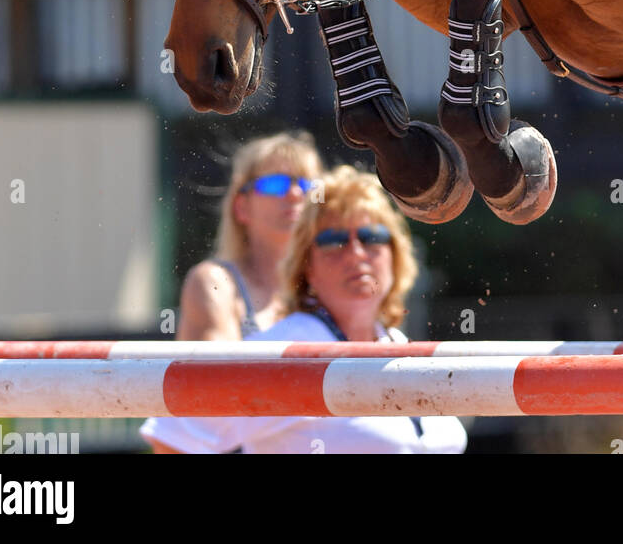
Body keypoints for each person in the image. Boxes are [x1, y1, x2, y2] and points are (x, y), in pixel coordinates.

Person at [140, 166, 468, 454]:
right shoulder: (287, 351)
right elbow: (174, 438)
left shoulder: (396, 343)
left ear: (395, 256)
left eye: (371, 237)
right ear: (306, 267)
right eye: (335, 240)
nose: (356, 253)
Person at [177, 131, 324, 341]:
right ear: (242, 206)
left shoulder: (331, 284)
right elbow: (219, 373)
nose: (295, 194)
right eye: (276, 184)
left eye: (306, 186)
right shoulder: (217, 283)